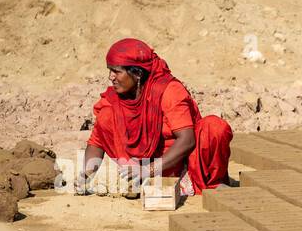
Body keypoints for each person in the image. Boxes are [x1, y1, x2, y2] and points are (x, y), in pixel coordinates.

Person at [78, 39, 233, 198]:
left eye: (117, 71)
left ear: (137, 73)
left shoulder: (168, 91)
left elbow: (187, 139)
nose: (111, 77)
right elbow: (97, 141)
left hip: (182, 167)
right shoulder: (115, 99)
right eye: (109, 70)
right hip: (142, 170)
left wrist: (148, 170)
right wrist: (85, 176)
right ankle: (137, 181)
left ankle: (208, 183)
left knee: (214, 127)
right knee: (106, 115)